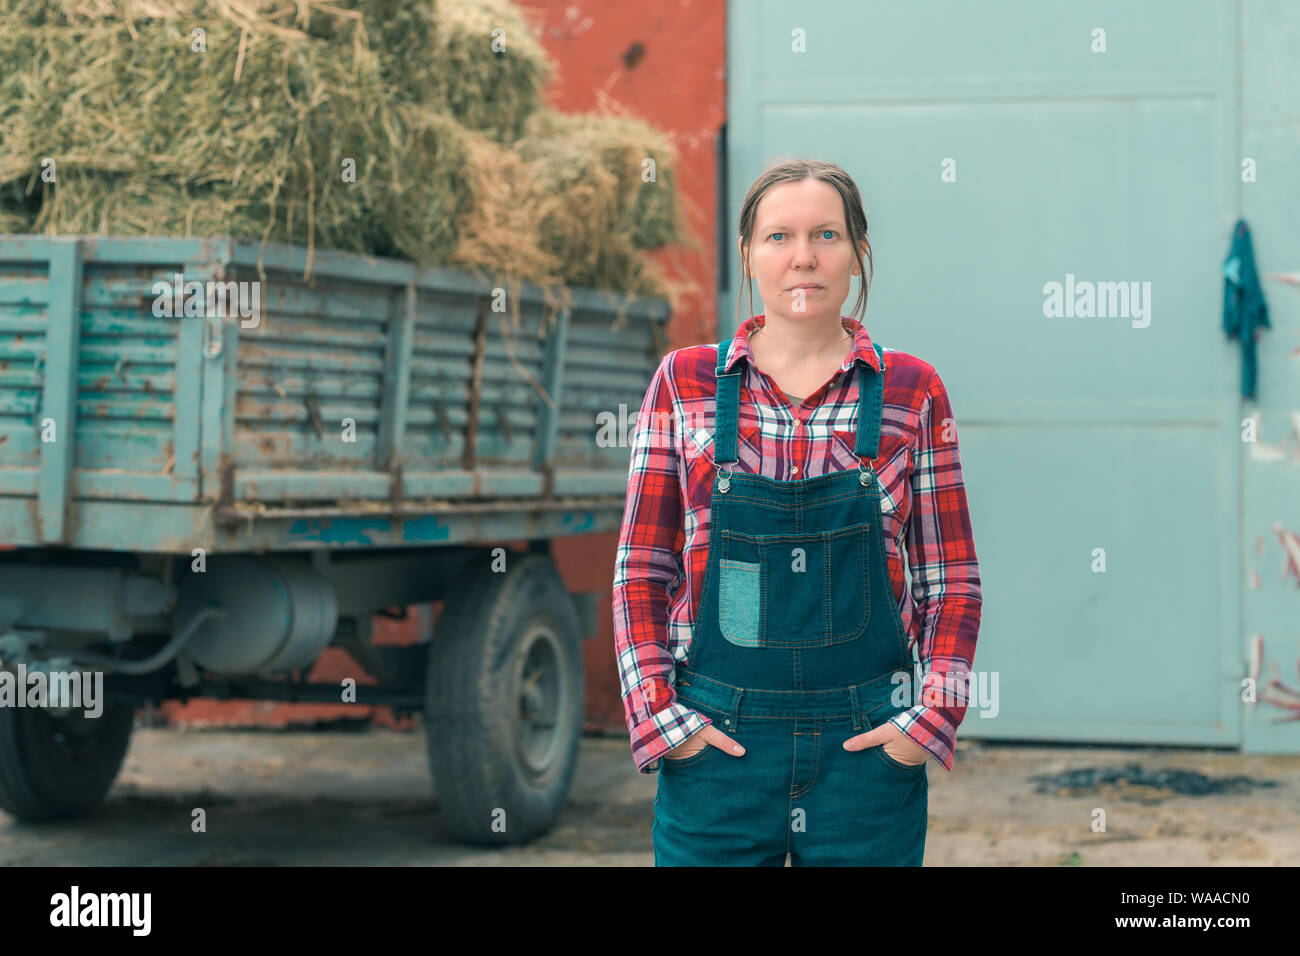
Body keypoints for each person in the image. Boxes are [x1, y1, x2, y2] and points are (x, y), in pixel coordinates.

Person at [611, 158, 982, 866]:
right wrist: (664, 719)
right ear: (748, 254)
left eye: (827, 235)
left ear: (858, 253)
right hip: (718, 745)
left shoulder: (911, 390)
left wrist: (929, 719)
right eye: (779, 237)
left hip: (866, 748)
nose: (803, 257)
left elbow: (953, 579)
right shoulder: (685, 382)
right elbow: (640, 570)